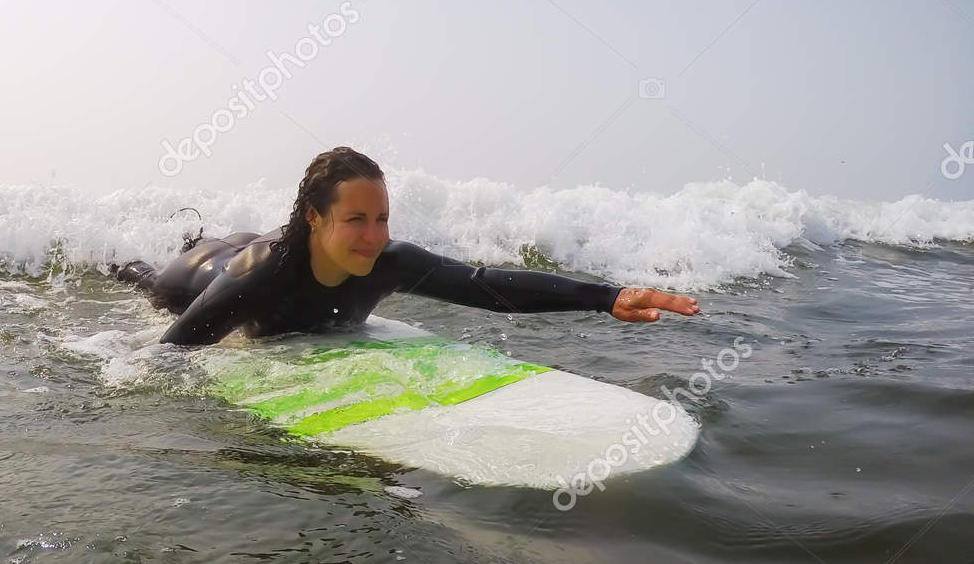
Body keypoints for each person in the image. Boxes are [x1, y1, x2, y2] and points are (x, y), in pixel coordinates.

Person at [111, 147, 698, 347]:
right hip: (202, 271)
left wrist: (610, 297)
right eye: (356, 220)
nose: (374, 236)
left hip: (253, 249)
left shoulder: (387, 263)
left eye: (382, 219)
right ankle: (123, 261)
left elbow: (486, 288)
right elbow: (170, 352)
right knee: (151, 286)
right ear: (315, 219)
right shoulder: (260, 277)